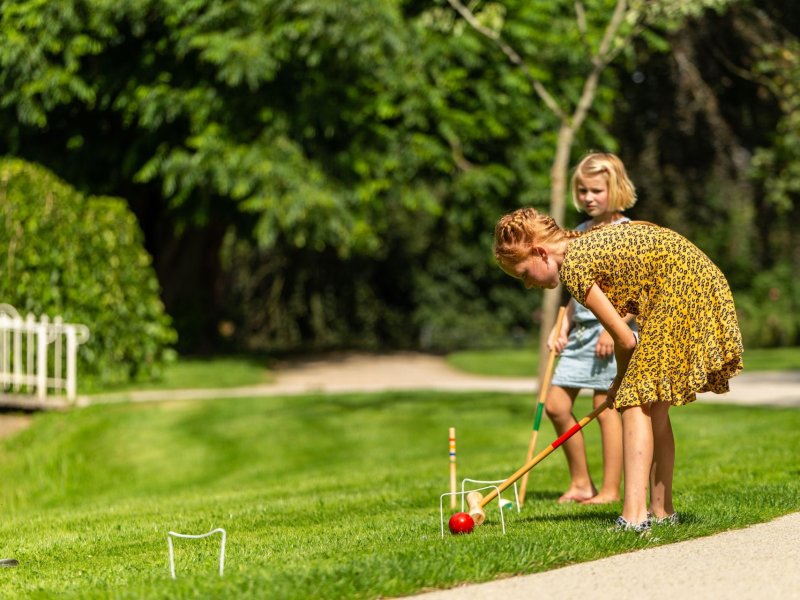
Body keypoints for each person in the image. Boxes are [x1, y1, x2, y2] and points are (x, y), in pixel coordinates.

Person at [493, 208, 743, 532]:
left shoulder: (574, 265)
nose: (528, 284)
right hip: (697, 279)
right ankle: (663, 512)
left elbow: (625, 340)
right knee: (655, 408)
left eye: (525, 274)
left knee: (634, 401)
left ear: (541, 253)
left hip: (679, 287)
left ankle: (634, 518)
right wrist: (621, 381)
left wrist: (620, 383)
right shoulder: (584, 242)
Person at [546, 152, 636, 505]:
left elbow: (635, 293)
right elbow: (574, 291)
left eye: (596, 190)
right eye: (582, 191)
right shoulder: (579, 233)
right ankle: (582, 482)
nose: (588, 198)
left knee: (605, 405)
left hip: (609, 335)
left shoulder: (625, 233)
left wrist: (612, 331)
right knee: (555, 405)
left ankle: (611, 490)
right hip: (580, 334)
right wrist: (560, 325)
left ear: (615, 189)